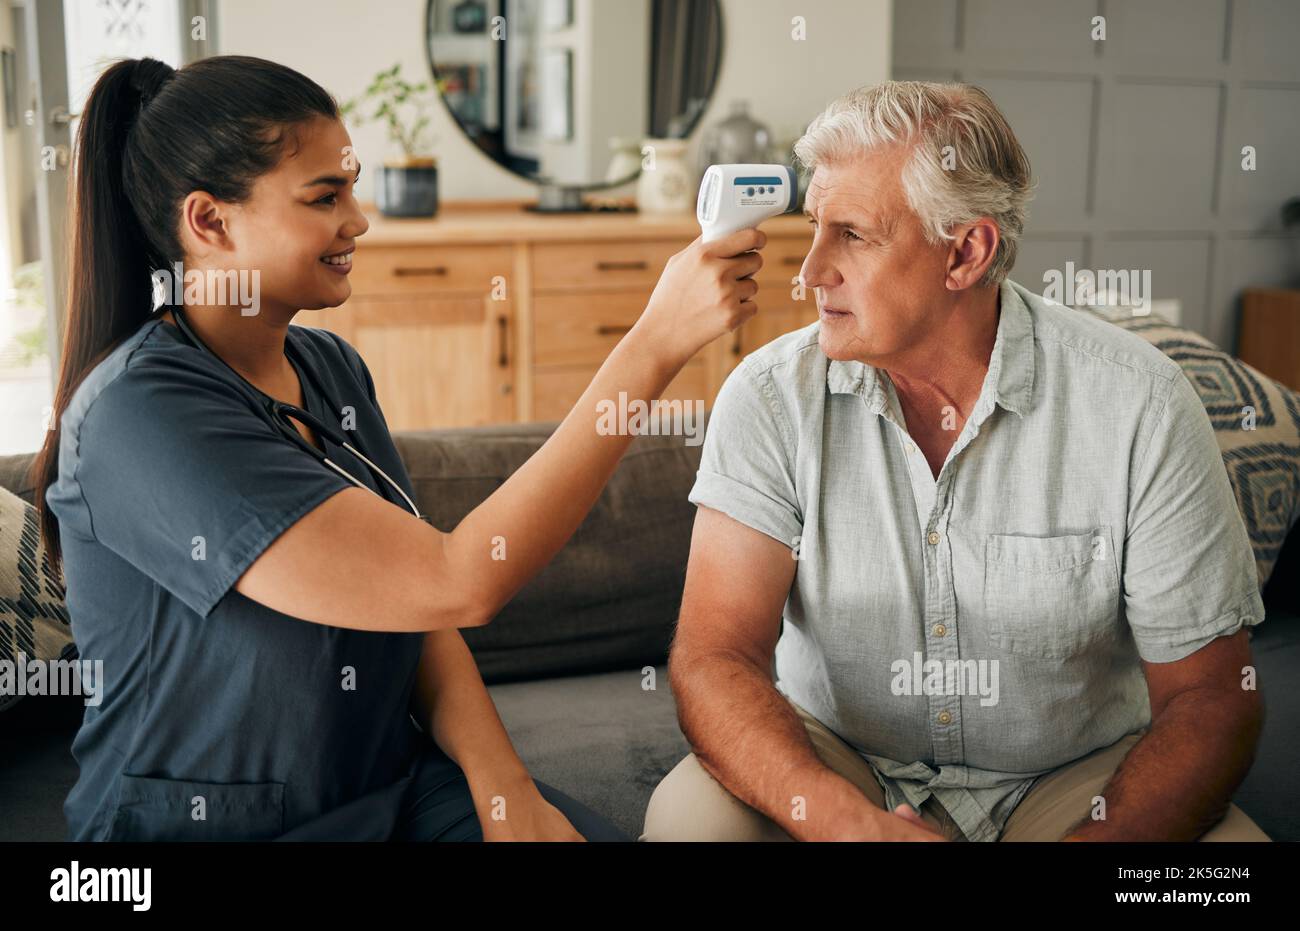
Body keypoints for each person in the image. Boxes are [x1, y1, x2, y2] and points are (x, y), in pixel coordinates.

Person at [31, 54, 766, 842]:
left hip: (391, 790)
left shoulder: (331, 369)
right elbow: (457, 582)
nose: (360, 219)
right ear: (209, 222)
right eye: (326, 197)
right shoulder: (138, 416)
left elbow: (412, 611)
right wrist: (652, 346)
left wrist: (503, 789)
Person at [642, 81, 1271, 842]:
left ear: (966, 252)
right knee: (689, 825)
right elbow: (714, 655)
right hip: (842, 764)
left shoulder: (1142, 405)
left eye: (854, 235)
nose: (809, 272)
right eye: (813, 228)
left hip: (1074, 778)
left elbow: (1212, 697)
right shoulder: (772, 399)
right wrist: (847, 824)